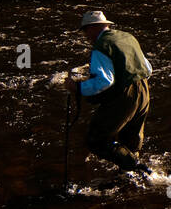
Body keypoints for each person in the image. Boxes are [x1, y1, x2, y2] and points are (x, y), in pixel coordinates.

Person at [65, 11, 153, 171]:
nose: (86, 36)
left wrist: (77, 87)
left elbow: (104, 81)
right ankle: (138, 177)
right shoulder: (128, 37)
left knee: (96, 140)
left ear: (92, 28)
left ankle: (136, 168)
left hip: (125, 96)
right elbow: (148, 68)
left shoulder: (101, 46)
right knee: (131, 141)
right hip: (144, 90)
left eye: (85, 31)